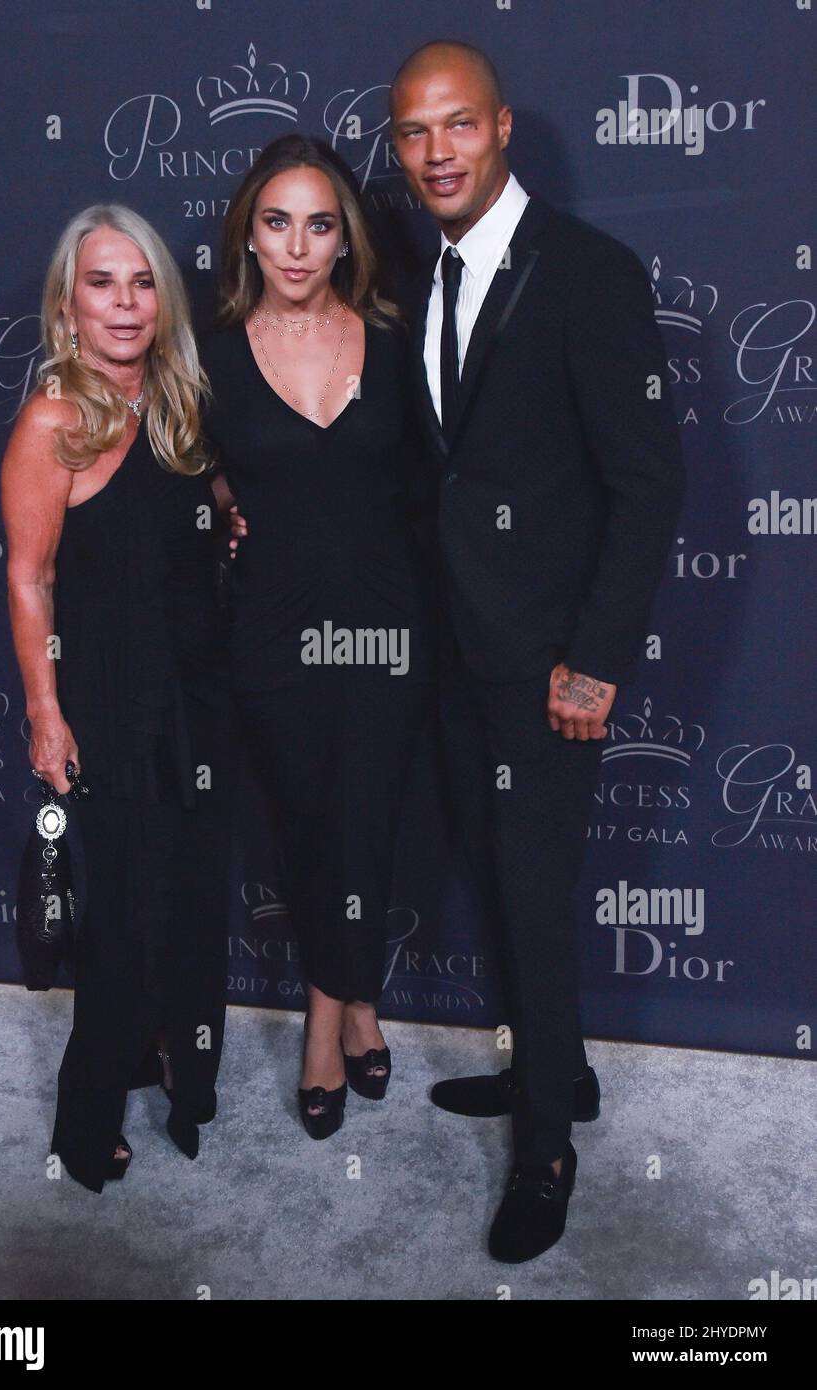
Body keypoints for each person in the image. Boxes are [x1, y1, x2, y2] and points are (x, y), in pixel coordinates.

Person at [388, 41, 686, 1260]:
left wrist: (595, 662)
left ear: (502, 127)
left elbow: (649, 485)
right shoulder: (424, 278)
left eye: (458, 125)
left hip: (552, 663)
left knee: (532, 895)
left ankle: (548, 1157)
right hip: (460, 651)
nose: (438, 152)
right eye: (414, 134)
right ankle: (549, 1074)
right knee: (498, 877)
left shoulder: (590, 274)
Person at [200, 134, 436, 1139]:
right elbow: (176, 471)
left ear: (346, 240)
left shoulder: (396, 338)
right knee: (307, 831)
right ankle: (364, 1003)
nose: (297, 246)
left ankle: (323, 1023)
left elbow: (441, 484)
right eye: (277, 222)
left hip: (384, 631)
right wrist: (213, 497)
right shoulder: (206, 352)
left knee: (367, 820)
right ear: (250, 236)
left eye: (320, 225)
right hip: (270, 636)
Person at [1, 204, 231, 1193]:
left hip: (198, 698)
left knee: (190, 904)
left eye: (142, 283)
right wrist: (45, 713)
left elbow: (195, 525)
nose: (125, 302)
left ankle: (174, 1059)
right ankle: (83, 1122)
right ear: (69, 303)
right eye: (103, 282)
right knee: (129, 918)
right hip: (113, 706)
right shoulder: (56, 420)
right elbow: (27, 576)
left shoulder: (179, 408)